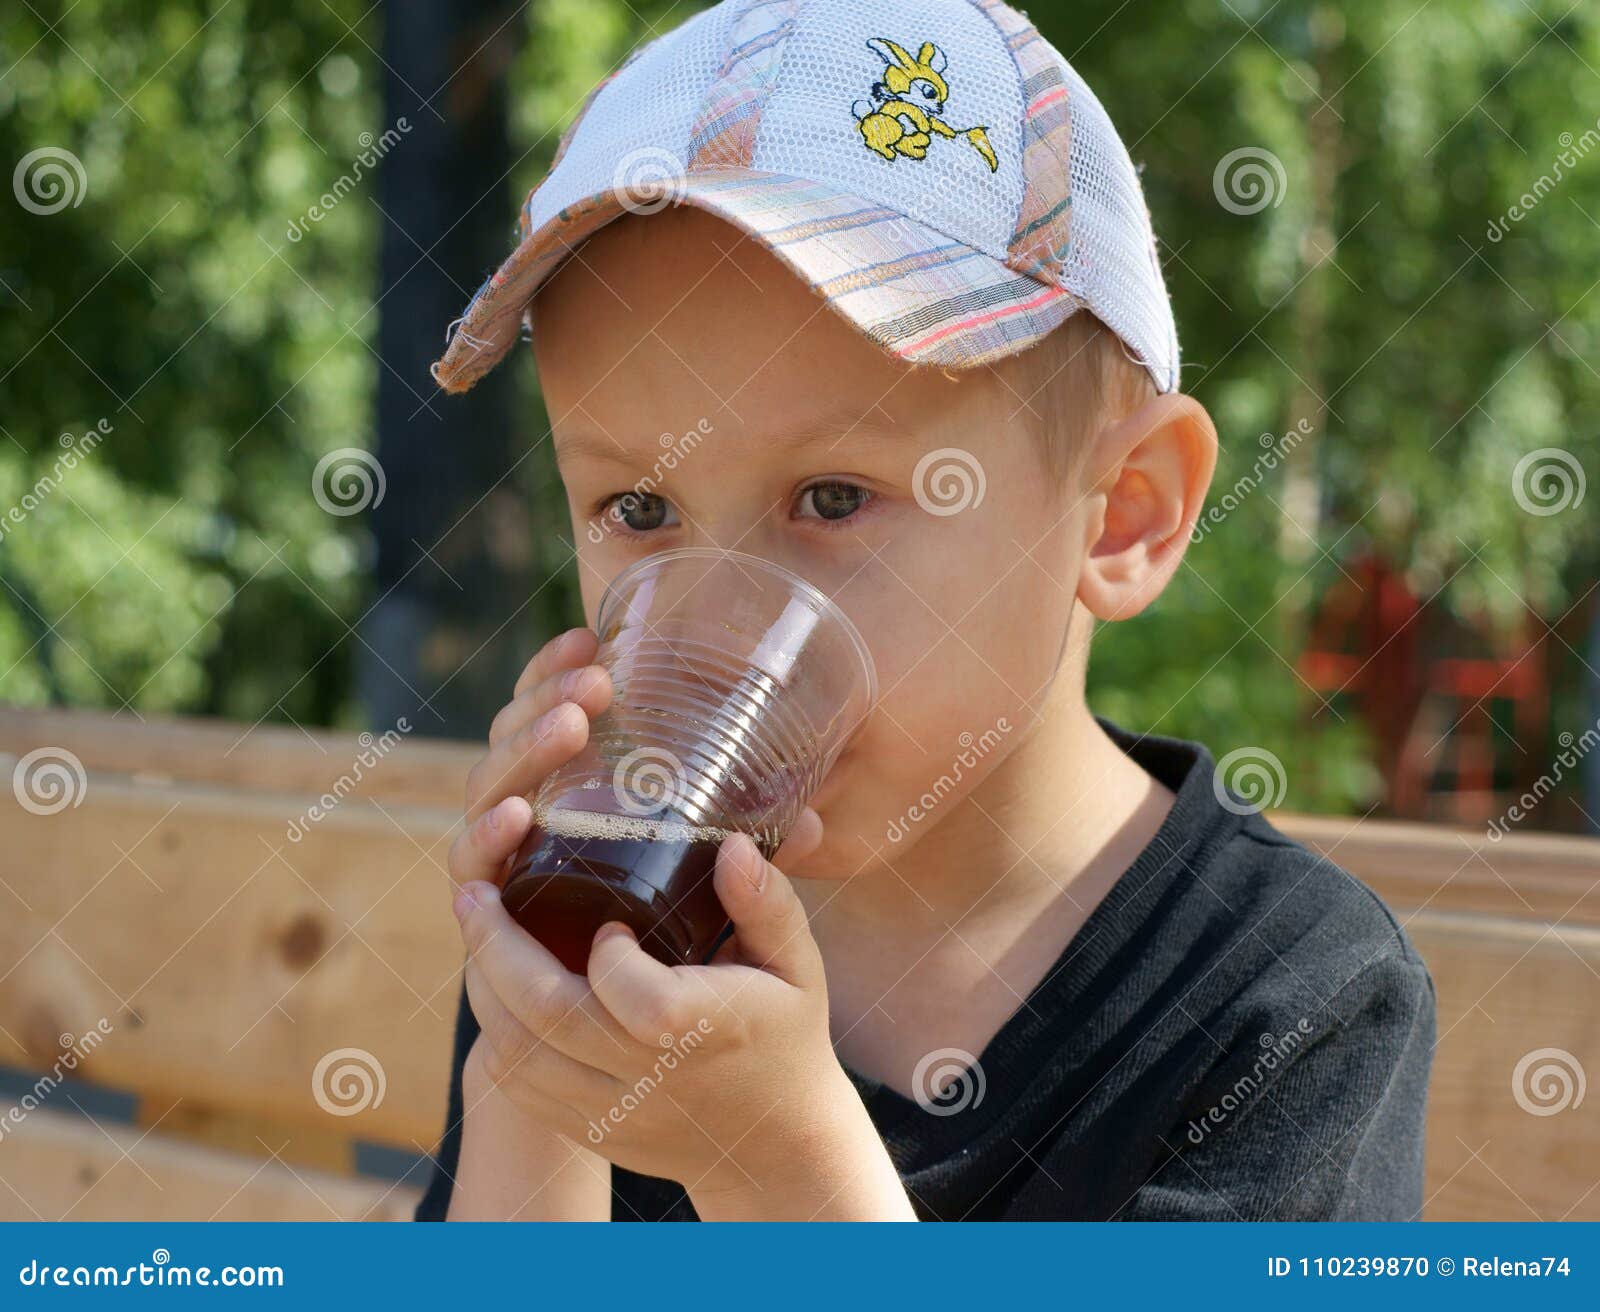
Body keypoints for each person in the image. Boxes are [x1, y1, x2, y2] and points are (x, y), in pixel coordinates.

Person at [415, 0, 1433, 1221]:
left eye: (833, 497)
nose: (718, 630)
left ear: (1122, 514)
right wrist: (542, 1048)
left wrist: (777, 1167)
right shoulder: (624, 895)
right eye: (639, 507)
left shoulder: (1288, 1001)